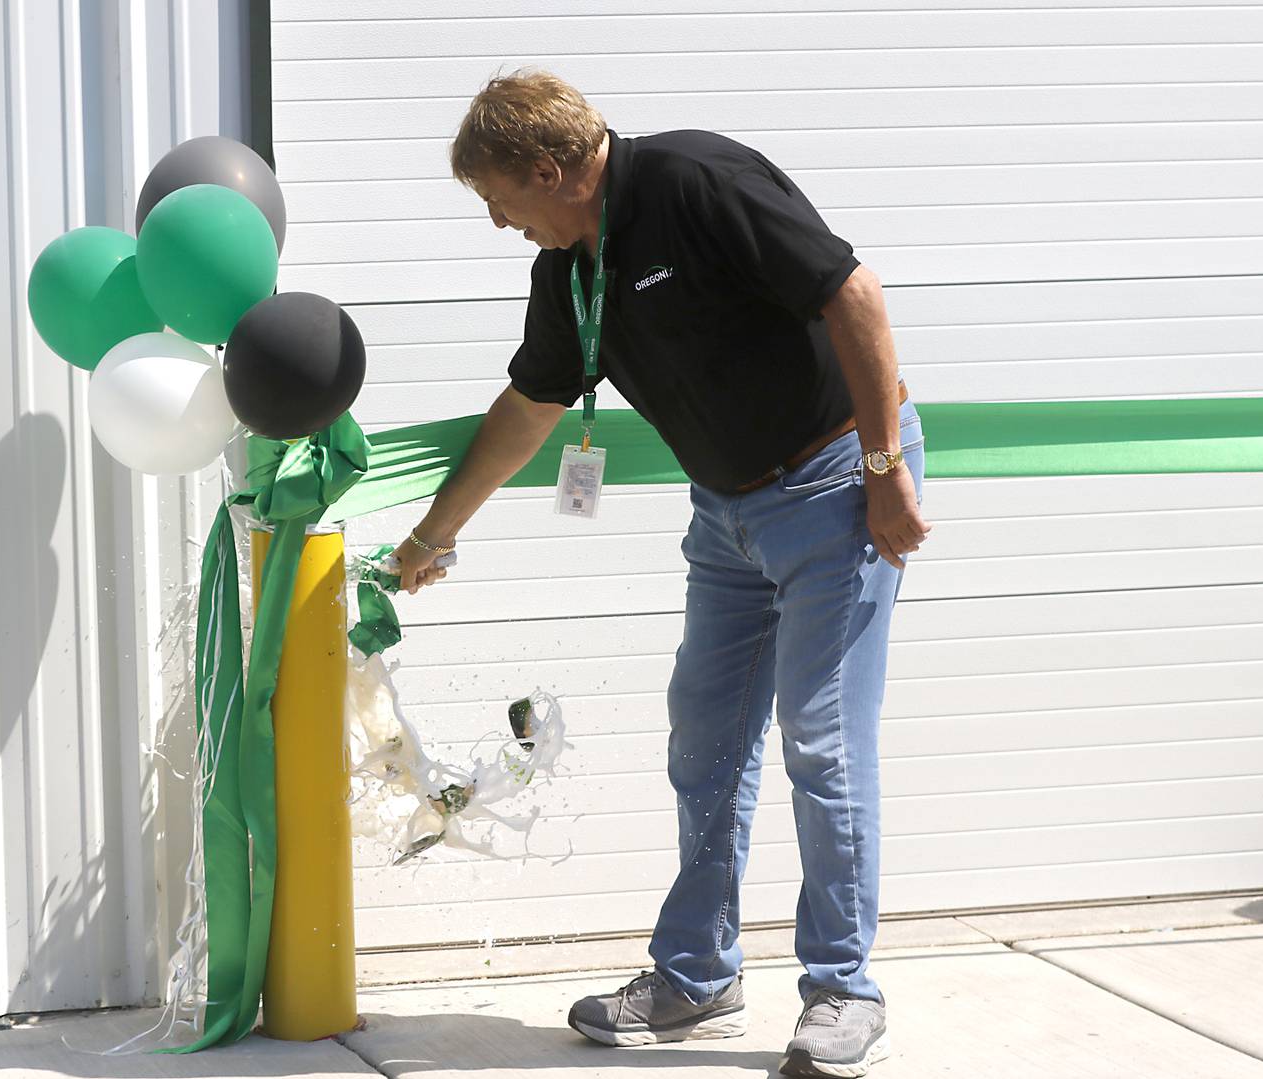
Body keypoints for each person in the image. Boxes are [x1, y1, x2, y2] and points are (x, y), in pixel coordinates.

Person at [391, 71, 930, 1078]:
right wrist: (434, 534)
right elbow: (529, 407)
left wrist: (883, 465)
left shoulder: (695, 180)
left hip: (832, 486)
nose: (502, 226)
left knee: (820, 737)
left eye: (501, 204)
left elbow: (850, 289)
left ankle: (844, 990)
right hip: (725, 514)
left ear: (549, 171)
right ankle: (694, 975)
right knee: (704, 741)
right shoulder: (570, 269)